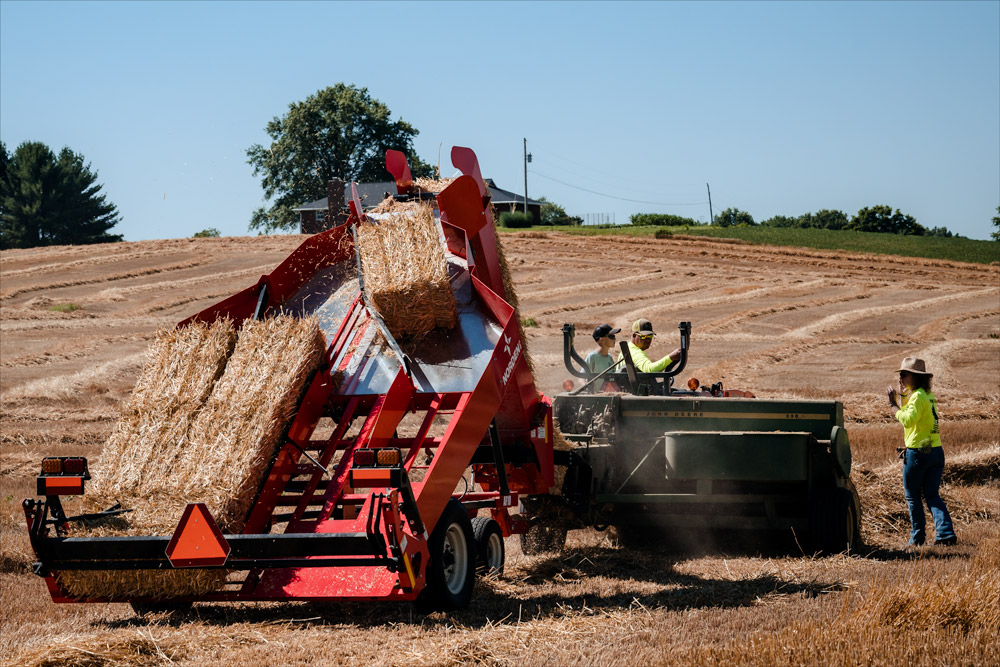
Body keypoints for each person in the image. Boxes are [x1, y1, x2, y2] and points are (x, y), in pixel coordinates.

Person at [886, 356, 957, 547]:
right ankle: (945, 533)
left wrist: (893, 405)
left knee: (912, 496)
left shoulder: (917, 396)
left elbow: (908, 420)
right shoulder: (927, 396)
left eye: (904, 374)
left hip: (918, 453)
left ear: (915, 377)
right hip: (935, 451)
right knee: (932, 495)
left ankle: (917, 538)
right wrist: (903, 395)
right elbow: (916, 415)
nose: (900, 378)